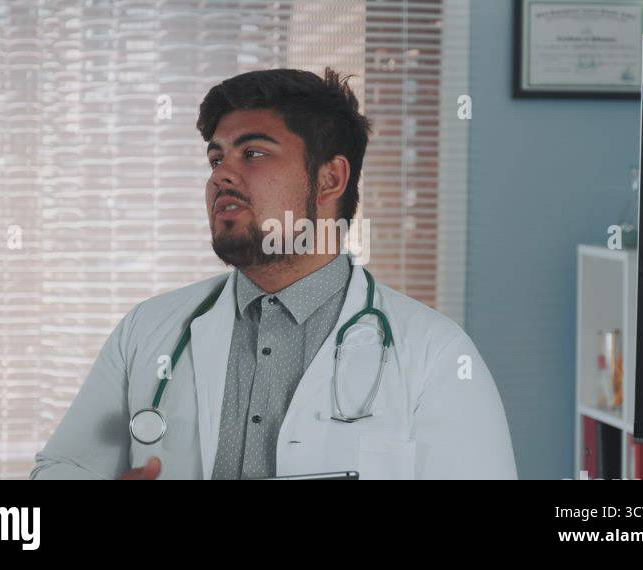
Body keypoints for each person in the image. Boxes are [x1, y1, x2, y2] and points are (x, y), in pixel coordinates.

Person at [29, 68, 516, 480]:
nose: (221, 175)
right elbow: (61, 468)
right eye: (216, 158)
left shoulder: (435, 354)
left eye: (253, 153)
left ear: (330, 179)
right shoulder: (148, 329)